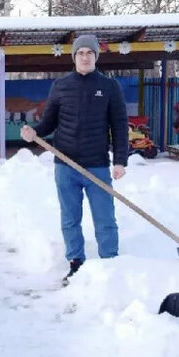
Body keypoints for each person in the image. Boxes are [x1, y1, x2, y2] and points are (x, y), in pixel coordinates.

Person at [19, 34, 129, 285]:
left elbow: (120, 126)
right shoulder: (61, 86)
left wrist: (120, 160)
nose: (85, 57)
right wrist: (35, 131)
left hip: (98, 165)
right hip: (65, 165)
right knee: (70, 218)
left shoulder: (110, 87)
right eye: (80, 53)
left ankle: (110, 262)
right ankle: (76, 262)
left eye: (90, 53)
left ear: (95, 57)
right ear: (74, 56)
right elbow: (50, 121)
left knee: (105, 218)